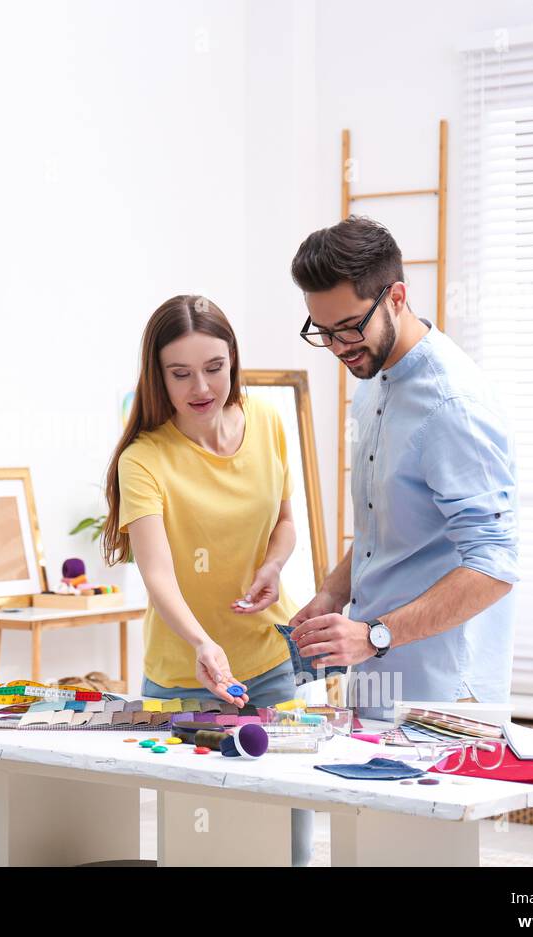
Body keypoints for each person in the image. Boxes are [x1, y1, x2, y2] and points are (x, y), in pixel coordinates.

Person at [102, 293, 314, 866]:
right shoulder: (144, 459)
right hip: (186, 677)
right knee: (205, 846)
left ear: (233, 362)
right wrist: (202, 642)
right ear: (158, 378)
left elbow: (287, 522)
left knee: (290, 845)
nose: (201, 387)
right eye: (181, 373)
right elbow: (157, 574)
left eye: (215, 368)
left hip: (271, 663)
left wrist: (272, 566)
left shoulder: (268, 421)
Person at [288, 216, 519, 718]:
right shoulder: (373, 379)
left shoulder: (453, 403)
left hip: (445, 695)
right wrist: (333, 592)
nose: (339, 348)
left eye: (349, 327)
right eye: (323, 332)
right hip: (377, 677)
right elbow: (386, 531)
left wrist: (374, 635)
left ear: (396, 296)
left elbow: (494, 565)